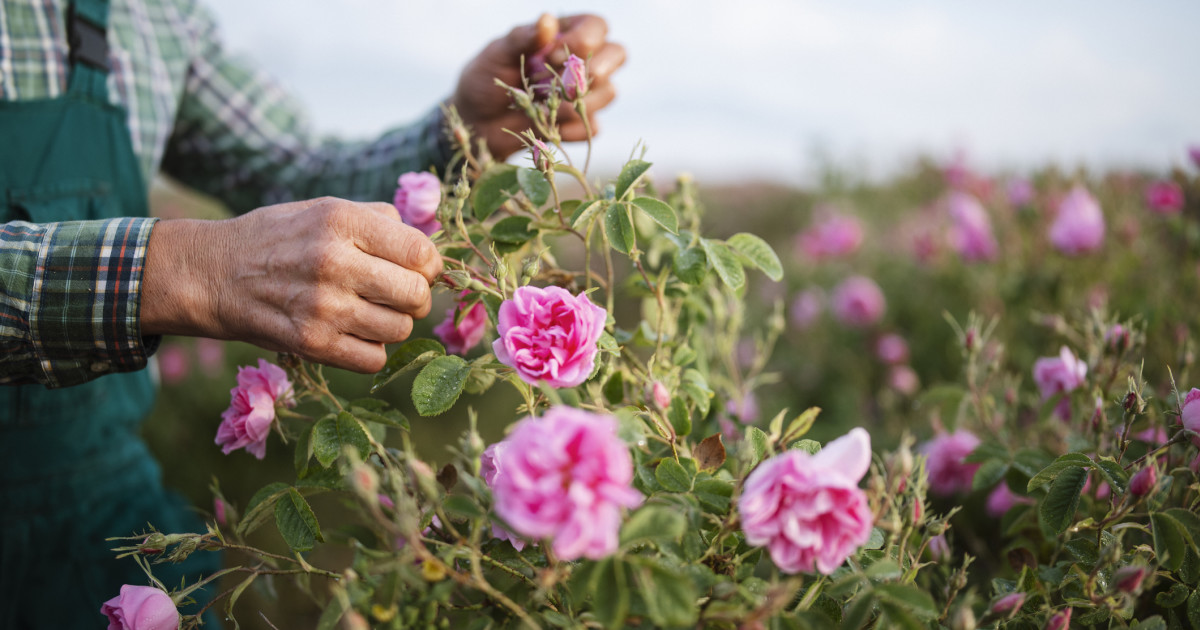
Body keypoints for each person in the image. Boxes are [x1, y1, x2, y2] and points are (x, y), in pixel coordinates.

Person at [0, 1, 625, 625]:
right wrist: (172, 271)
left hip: (99, 498)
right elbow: (200, 259)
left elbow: (294, 170)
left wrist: (461, 128)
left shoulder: (151, 16)